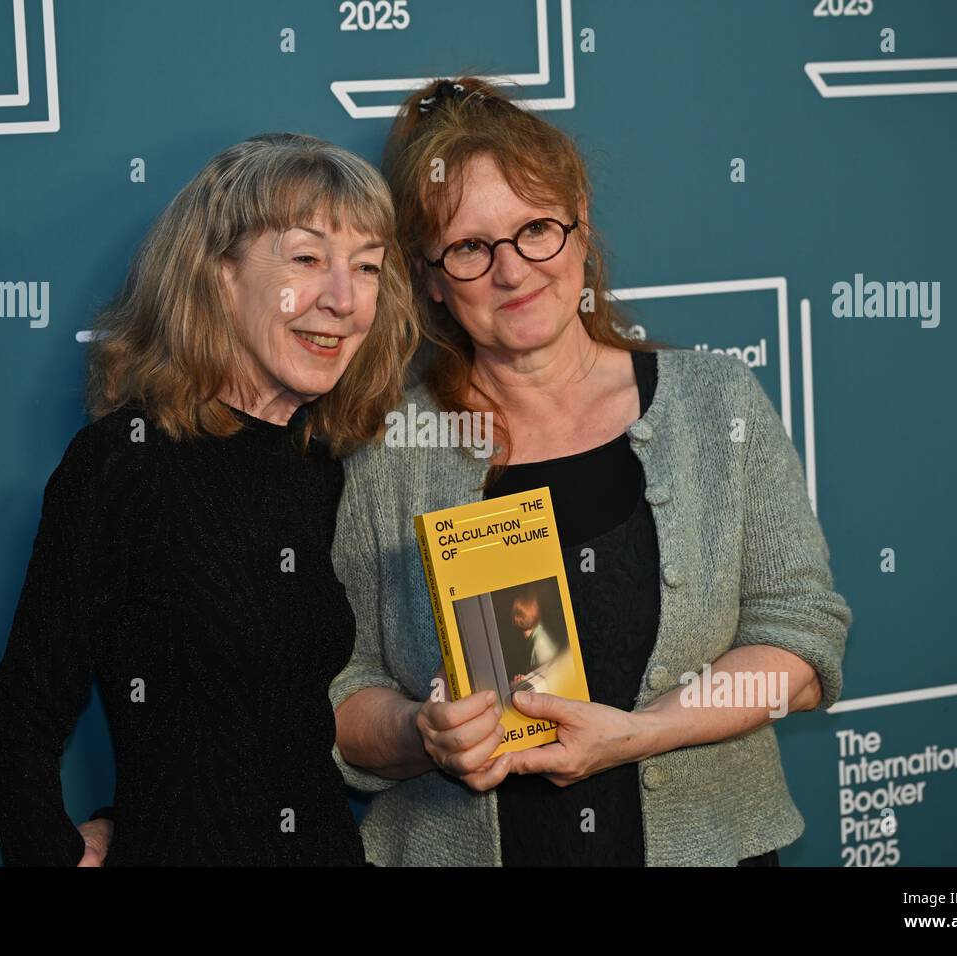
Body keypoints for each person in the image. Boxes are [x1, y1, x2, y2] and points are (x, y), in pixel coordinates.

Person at [330, 78, 853, 866]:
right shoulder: (385, 447)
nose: (512, 272)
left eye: (536, 229)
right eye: (470, 248)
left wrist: (639, 735)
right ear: (429, 275)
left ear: (579, 226)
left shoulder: (715, 403)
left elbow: (799, 643)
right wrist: (420, 733)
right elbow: (343, 687)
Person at [0, 132, 419, 865]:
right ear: (220, 273)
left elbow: (257, 729)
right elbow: (24, 721)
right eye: (306, 259)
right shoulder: (124, 464)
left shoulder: (319, 469)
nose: (343, 300)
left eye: (367, 267)